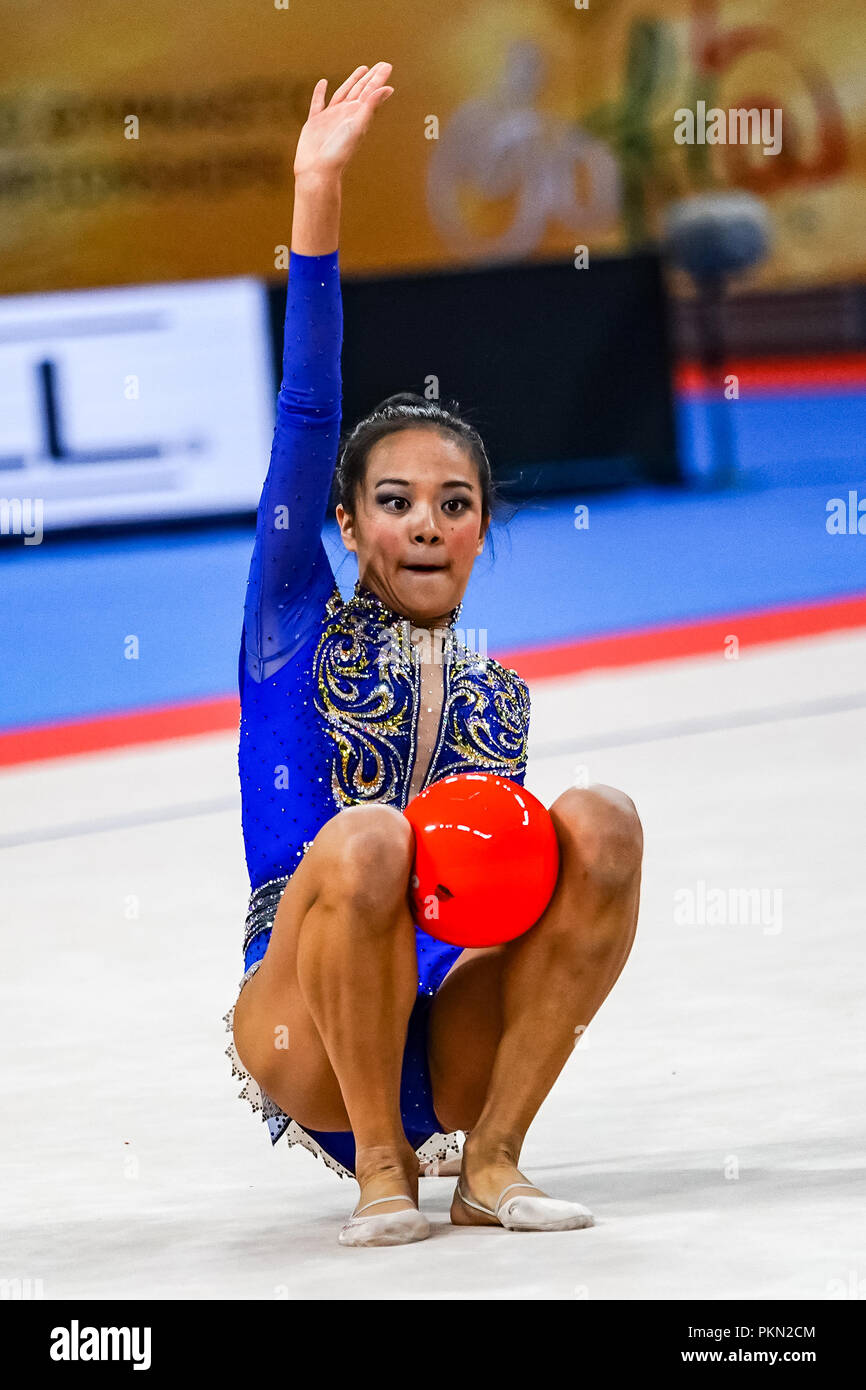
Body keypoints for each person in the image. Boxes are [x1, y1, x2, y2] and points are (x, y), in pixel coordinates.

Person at [225, 61, 643, 1247]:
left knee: (601, 817)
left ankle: (491, 1156)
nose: (423, 520)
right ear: (348, 526)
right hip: (301, 1020)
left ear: (480, 526)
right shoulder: (286, 625)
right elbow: (309, 413)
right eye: (394, 501)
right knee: (366, 835)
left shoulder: (496, 699)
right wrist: (317, 194)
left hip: (440, 1021)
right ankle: (376, 1174)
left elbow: (492, 910)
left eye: (453, 502)